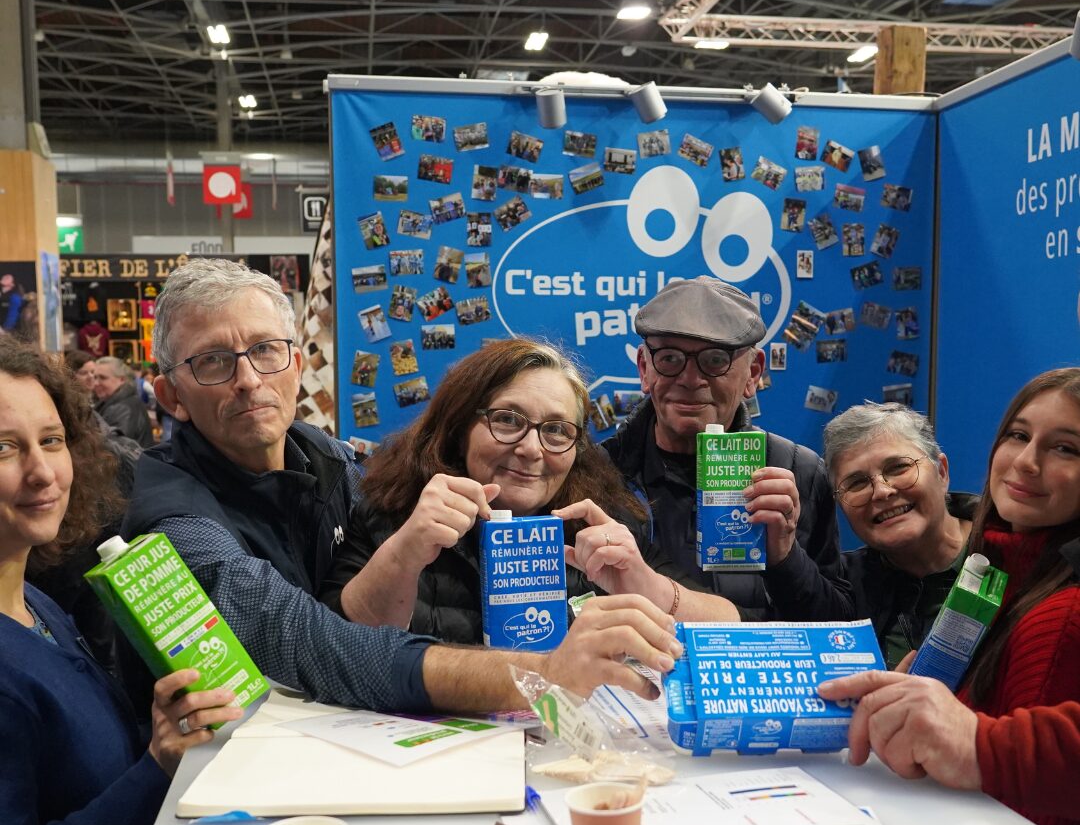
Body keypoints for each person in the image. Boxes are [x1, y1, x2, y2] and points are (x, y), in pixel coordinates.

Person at [125, 259, 681, 718]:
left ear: (296, 365)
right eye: (214, 362)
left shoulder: (329, 458)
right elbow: (314, 643)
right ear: (170, 396)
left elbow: (712, 629)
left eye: (266, 351)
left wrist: (648, 587)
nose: (249, 380)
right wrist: (542, 675)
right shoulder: (174, 519)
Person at [0, 337, 243, 825]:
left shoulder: (38, 607)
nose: (44, 472)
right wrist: (157, 766)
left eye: (51, 440)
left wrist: (161, 726)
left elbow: (76, 774)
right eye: (5, 449)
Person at [322, 339, 740, 643]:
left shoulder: (596, 522)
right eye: (507, 420)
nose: (530, 449)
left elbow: (728, 628)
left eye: (557, 431)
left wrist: (643, 583)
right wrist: (406, 550)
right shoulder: (395, 510)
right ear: (460, 426)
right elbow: (337, 637)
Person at [819, 368, 1080, 825]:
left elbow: (1009, 780)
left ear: (941, 471)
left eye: (1065, 447)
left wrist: (976, 740)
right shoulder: (1008, 572)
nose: (1026, 462)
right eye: (1018, 435)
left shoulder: (1061, 606)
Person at [603, 276, 853, 621]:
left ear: (753, 373)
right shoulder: (597, 474)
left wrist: (784, 558)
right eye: (671, 358)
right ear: (645, 370)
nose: (691, 380)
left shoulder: (801, 472)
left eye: (716, 360)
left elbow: (836, 629)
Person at [823, 402, 979, 667]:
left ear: (941, 472)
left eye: (897, 468)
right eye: (857, 483)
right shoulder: (840, 591)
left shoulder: (1015, 557)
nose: (882, 491)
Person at [93, 355, 155, 447]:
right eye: (95, 378)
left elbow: (115, 449)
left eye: (103, 378)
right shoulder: (123, 401)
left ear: (122, 379)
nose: (96, 383)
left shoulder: (122, 408)